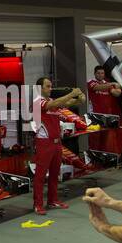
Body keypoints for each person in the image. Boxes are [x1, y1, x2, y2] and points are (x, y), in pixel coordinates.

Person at [31, 77, 84, 214]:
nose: (50, 89)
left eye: (50, 86)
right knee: (40, 175)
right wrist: (72, 94)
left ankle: (53, 200)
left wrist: (79, 99)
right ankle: (38, 204)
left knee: (55, 173)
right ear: (40, 89)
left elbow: (66, 103)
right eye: (47, 86)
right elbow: (56, 103)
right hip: (44, 143)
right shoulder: (38, 102)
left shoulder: (51, 102)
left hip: (56, 142)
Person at [86, 66, 122, 153]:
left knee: (104, 138)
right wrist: (113, 84)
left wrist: (119, 87)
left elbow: (116, 93)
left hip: (106, 116)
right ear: (95, 74)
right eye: (98, 73)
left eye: (102, 73)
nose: (100, 75)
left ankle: (102, 159)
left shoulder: (107, 84)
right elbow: (97, 88)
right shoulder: (91, 82)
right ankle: (93, 159)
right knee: (94, 138)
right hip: (94, 116)